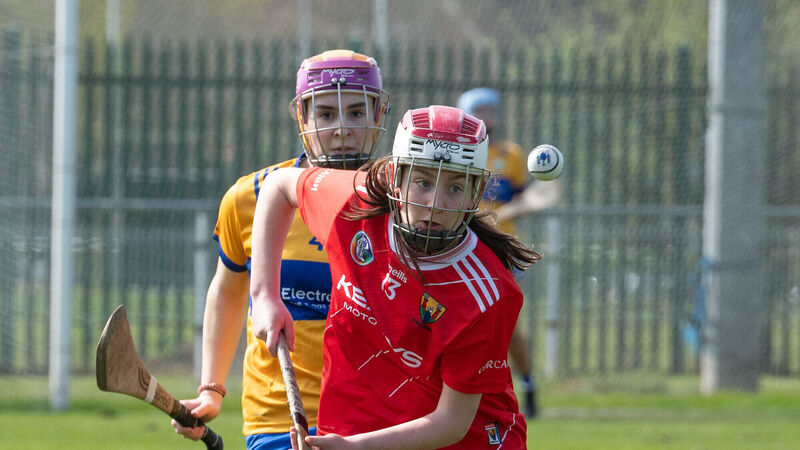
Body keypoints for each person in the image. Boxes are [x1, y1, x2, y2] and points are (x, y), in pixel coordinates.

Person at [250, 105, 540, 448]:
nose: (434, 204)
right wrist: (265, 295)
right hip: (355, 428)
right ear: (396, 178)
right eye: (422, 182)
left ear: (475, 195)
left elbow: (451, 422)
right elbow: (279, 186)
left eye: (455, 188)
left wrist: (358, 447)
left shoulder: (487, 290)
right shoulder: (351, 207)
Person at [171, 49, 391, 449]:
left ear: (378, 116)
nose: (342, 128)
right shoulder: (249, 197)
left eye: (357, 113)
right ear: (301, 118)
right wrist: (212, 390)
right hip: (279, 419)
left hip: (380, 420)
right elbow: (228, 290)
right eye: (325, 115)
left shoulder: (405, 205)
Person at [457, 87, 563, 418]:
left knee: (508, 328)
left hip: (501, 253)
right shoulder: (457, 150)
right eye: (481, 109)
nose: (489, 116)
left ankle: (527, 385)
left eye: (493, 110)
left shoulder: (513, 155)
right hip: (460, 250)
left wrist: (506, 214)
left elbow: (522, 202)